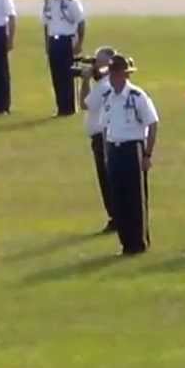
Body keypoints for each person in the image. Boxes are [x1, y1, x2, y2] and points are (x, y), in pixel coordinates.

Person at [100, 55, 159, 256]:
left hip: (132, 147)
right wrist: (107, 153)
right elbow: (105, 126)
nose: (112, 78)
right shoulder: (107, 97)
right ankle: (126, 243)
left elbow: (152, 123)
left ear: (123, 75)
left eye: (115, 74)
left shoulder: (137, 96)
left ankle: (139, 242)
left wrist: (147, 154)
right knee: (119, 198)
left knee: (135, 197)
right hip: (114, 148)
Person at [79, 47, 117, 233]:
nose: (94, 65)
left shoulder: (104, 85)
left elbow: (83, 103)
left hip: (102, 138)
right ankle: (116, 215)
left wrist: (85, 80)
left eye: (98, 62)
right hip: (104, 137)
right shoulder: (108, 83)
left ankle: (115, 216)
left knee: (107, 178)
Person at [40, 0, 85, 117]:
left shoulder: (70, 1)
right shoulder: (47, 2)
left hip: (67, 40)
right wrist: (47, 44)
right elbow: (46, 24)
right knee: (56, 76)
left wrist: (79, 43)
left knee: (67, 75)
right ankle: (61, 107)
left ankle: (69, 108)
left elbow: (80, 22)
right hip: (54, 41)